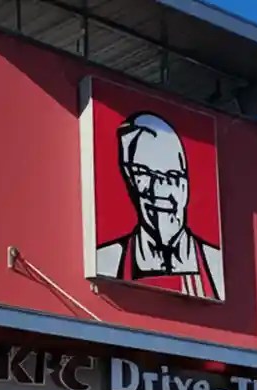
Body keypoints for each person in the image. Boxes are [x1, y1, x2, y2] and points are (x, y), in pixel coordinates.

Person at [96, 111, 224, 302]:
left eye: (172, 176)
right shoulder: (107, 262)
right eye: (144, 174)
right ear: (129, 180)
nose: (159, 190)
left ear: (186, 184)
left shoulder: (214, 262)